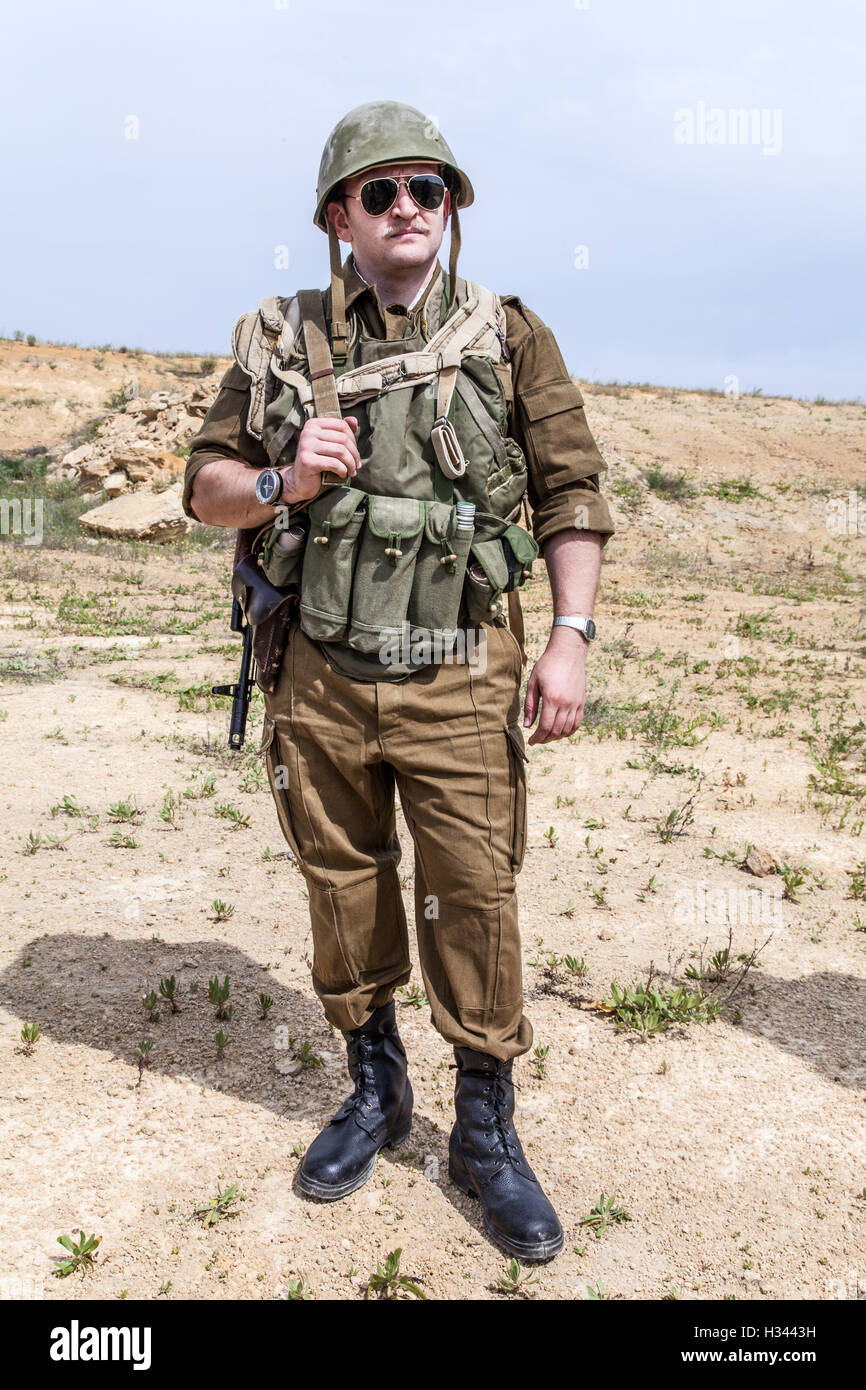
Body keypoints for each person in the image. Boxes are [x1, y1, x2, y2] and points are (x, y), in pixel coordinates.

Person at [183, 100, 615, 1264]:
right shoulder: (277, 339)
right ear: (339, 217)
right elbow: (204, 491)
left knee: (473, 891)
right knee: (344, 880)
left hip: (461, 670)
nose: (410, 208)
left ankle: (483, 1129)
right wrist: (283, 480)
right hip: (319, 671)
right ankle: (375, 1091)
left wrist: (568, 635)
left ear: (450, 208)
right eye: (382, 193)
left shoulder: (507, 334)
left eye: (429, 189)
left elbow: (570, 490)